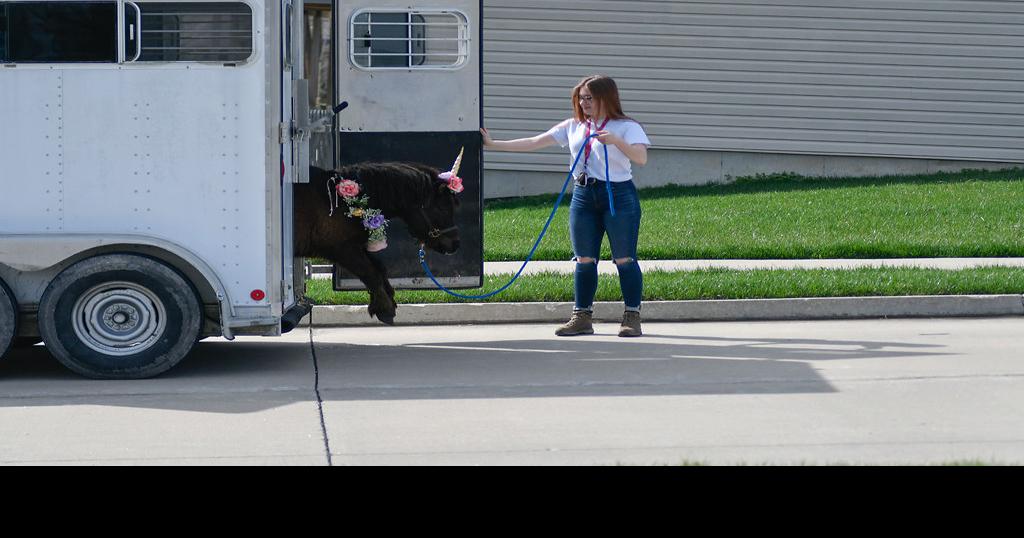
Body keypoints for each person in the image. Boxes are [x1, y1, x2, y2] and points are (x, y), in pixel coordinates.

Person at [481, 75, 651, 337]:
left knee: (624, 258)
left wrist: (616, 141)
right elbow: (536, 141)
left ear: (606, 97)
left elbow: (641, 158)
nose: (584, 103)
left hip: (617, 195)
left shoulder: (626, 126)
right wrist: (493, 145)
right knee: (584, 260)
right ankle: (582, 316)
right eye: (581, 98)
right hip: (583, 195)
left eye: (589, 98)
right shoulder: (574, 126)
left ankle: (632, 316)